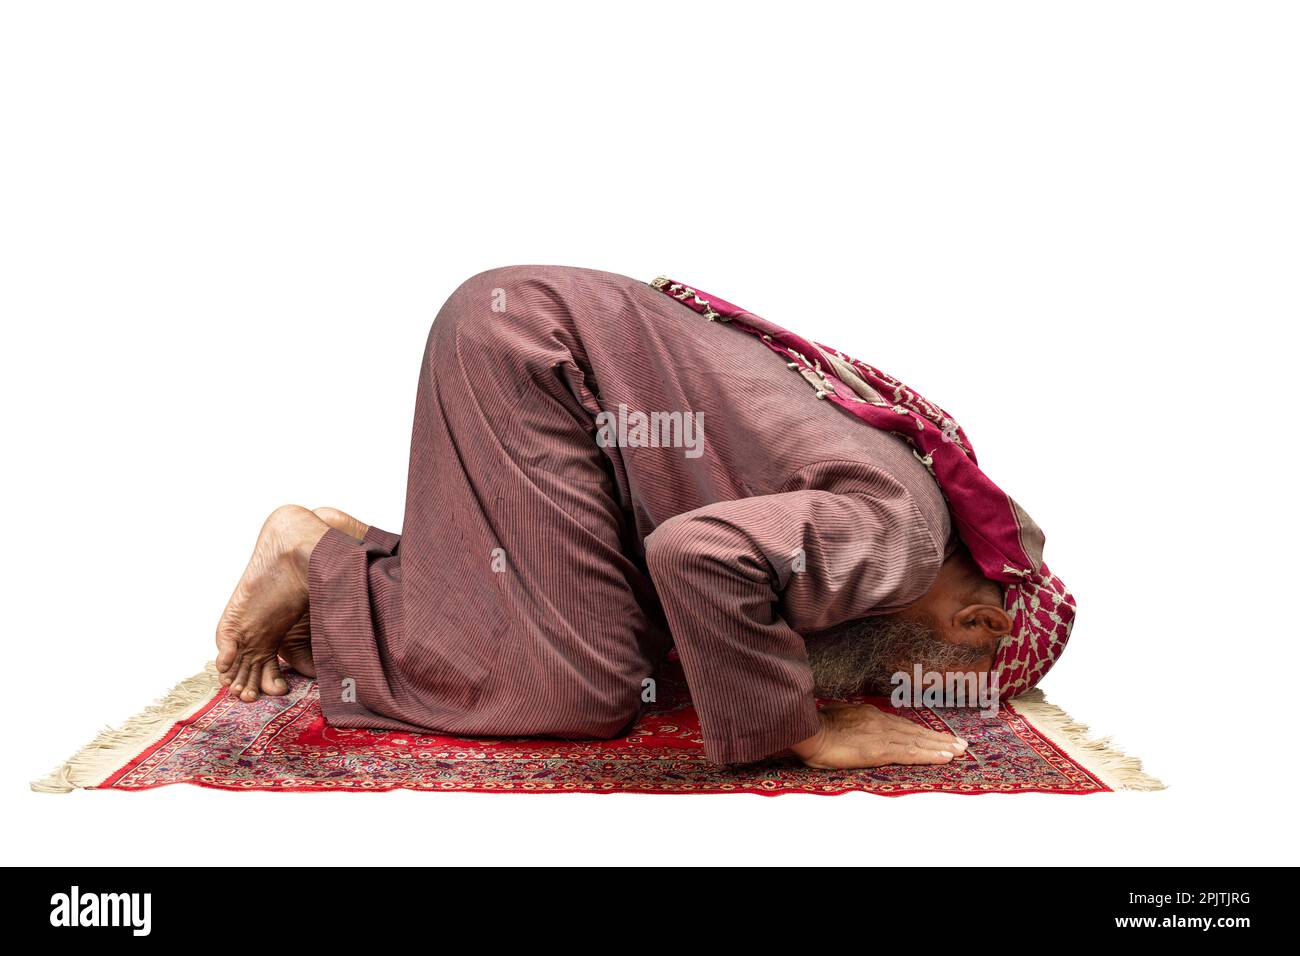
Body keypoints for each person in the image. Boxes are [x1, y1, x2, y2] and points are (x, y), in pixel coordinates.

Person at [214, 267, 1074, 769]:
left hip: (529, 339)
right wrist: (803, 728)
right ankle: (315, 563)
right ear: (976, 621)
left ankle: (356, 555)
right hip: (531, 354)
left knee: (604, 629)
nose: (892, 686)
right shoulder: (903, 543)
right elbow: (697, 556)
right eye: (954, 672)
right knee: (583, 690)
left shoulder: (908, 515)